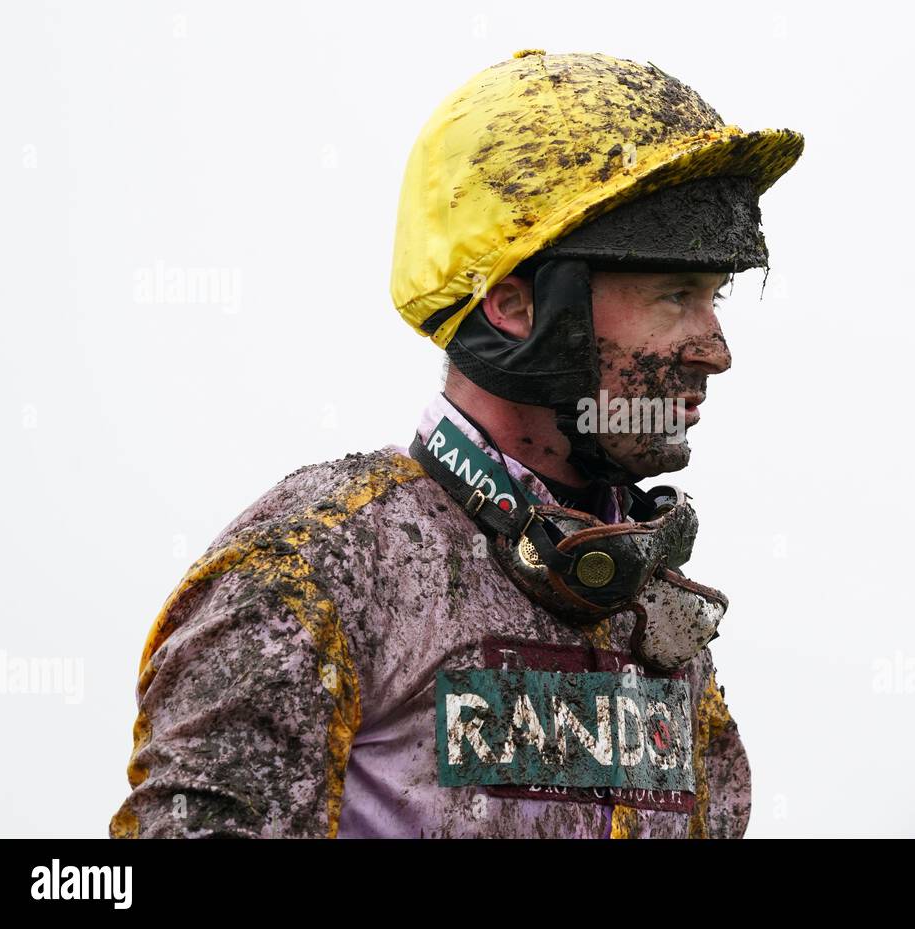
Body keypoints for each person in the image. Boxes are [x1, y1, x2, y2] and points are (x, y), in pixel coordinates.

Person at [109, 49, 803, 839]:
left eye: (715, 300)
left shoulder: (658, 617)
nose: (716, 350)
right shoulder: (322, 565)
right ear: (514, 303)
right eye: (676, 297)